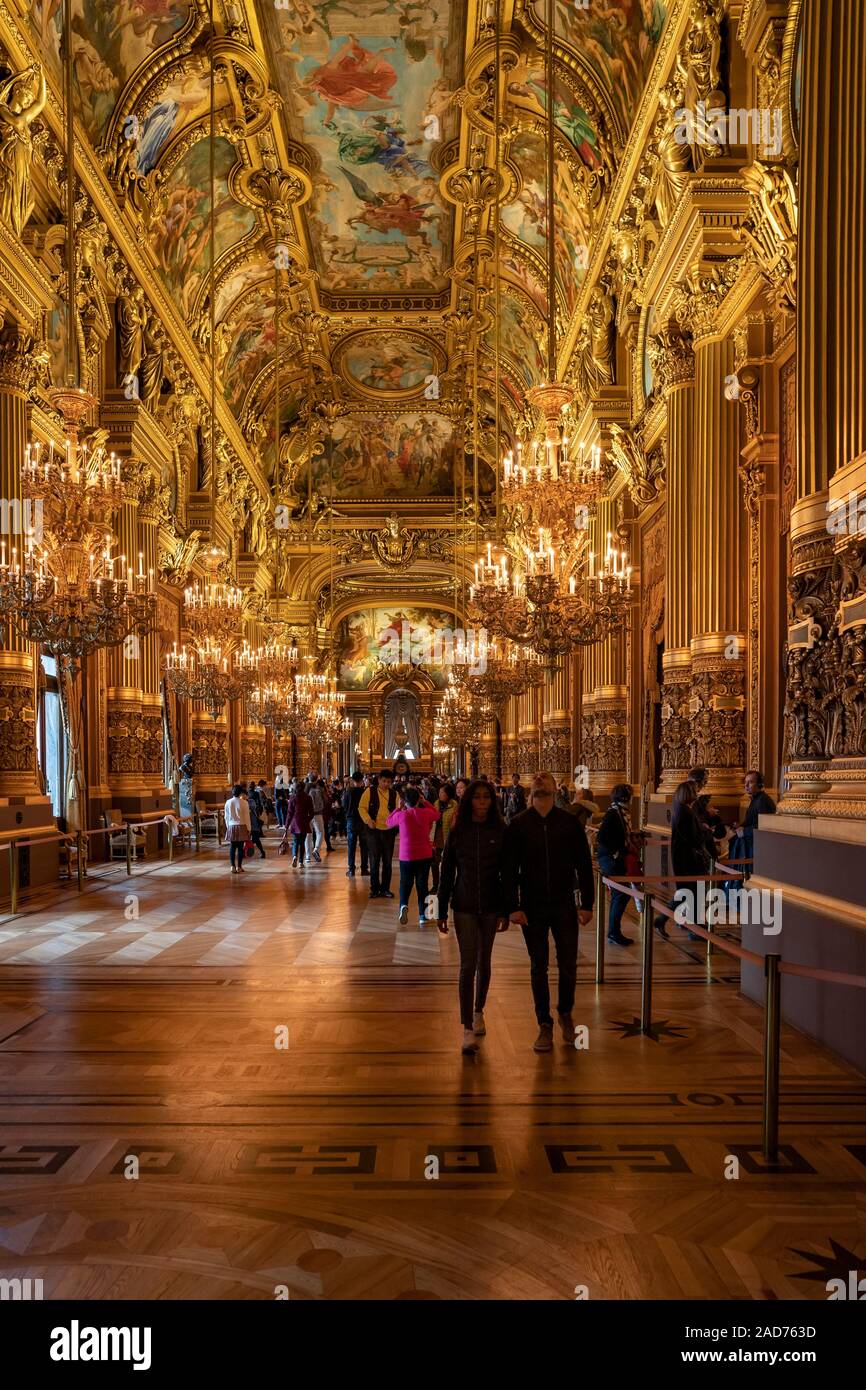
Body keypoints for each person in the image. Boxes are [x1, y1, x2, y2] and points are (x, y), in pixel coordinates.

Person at [504, 770, 595, 1052]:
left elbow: (583, 864)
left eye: (546, 779)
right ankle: (544, 1023)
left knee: (568, 963)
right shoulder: (518, 824)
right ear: (531, 790)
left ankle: (565, 1012)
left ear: (556, 789)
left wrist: (587, 904)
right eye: (537, 780)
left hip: (564, 904)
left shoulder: (568, 823)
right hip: (532, 905)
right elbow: (509, 870)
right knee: (538, 966)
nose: (541, 781)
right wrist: (512, 907)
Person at [437, 779, 509, 1054]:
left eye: (486, 798)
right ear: (469, 802)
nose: (481, 802)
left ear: (491, 801)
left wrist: (506, 908)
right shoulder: (459, 831)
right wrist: (441, 908)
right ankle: (467, 1026)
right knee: (468, 964)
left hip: (491, 905)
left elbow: (507, 874)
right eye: (477, 798)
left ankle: (479, 1009)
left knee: (484, 961)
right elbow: (446, 872)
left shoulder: (500, 830)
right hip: (464, 904)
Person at [387, 786, 439, 926]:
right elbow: (437, 814)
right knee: (422, 885)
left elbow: (388, 822)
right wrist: (426, 802)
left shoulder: (402, 815)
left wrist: (398, 808)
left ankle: (403, 905)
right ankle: (423, 915)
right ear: (418, 800)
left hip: (406, 855)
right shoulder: (425, 813)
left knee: (405, 882)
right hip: (424, 854)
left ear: (404, 801)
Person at [595, 783, 636, 946]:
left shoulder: (621, 813)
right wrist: (617, 850)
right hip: (611, 859)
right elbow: (602, 838)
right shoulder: (614, 814)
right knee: (621, 894)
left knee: (620, 895)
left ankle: (614, 931)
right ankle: (613, 932)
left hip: (615, 858)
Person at [670, 779, 711, 940]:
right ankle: (695, 929)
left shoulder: (681, 809)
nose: (697, 793)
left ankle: (687, 923)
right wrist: (706, 833)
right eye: (694, 791)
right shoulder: (685, 812)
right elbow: (693, 837)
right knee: (694, 892)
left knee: (689, 892)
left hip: (684, 857)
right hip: (688, 858)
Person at [359, 769, 398, 898]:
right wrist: (368, 820)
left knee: (387, 862)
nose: (386, 784)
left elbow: (399, 810)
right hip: (373, 831)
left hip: (388, 832)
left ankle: (385, 888)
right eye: (384, 781)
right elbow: (362, 808)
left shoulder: (394, 794)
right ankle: (374, 889)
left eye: (389, 781)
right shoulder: (369, 791)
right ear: (379, 780)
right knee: (374, 861)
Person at [732, 770, 776, 865]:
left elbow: (763, 825)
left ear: (759, 784)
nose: (746, 785)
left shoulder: (762, 800)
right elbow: (751, 821)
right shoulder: (756, 798)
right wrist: (740, 826)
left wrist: (744, 831)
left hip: (757, 846)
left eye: (751, 782)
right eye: (745, 782)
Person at [430, 781, 457, 890]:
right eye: (440, 792)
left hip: (448, 837)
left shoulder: (454, 805)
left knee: (448, 865)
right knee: (434, 863)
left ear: (448, 794)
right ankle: (436, 885)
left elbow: (454, 823)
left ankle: (448, 886)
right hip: (436, 837)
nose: (440, 794)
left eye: (442, 792)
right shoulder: (436, 803)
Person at [342, 769, 369, 878]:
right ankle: (364, 869)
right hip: (363, 821)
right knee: (364, 846)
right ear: (362, 780)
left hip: (351, 821)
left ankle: (351, 869)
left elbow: (344, 805)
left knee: (351, 846)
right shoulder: (365, 792)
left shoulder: (348, 791)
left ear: (353, 780)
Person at [283, 781, 314, 868]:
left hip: (295, 822)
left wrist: (286, 826)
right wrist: (307, 820)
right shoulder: (308, 797)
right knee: (302, 842)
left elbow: (289, 813)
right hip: (304, 821)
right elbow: (312, 813)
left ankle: (294, 856)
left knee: (296, 841)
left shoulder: (292, 797)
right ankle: (300, 862)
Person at [224, 783, 251, 875]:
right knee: (240, 848)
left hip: (231, 826)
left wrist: (228, 827)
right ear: (240, 793)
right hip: (242, 826)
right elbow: (247, 817)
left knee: (232, 847)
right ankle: (239, 867)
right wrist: (249, 828)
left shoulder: (228, 802)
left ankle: (232, 866)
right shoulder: (244, 803)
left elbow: (226, 817)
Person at [306, 778, 326, 862]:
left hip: (307, 815)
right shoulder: (318, 790)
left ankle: (307, 856)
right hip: (317, 814)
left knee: (308, 835)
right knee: (320, 832)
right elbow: (323, 802)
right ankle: (316, 850)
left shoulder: (305, 789)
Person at [246, 781, 266, 858]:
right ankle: (255, 850)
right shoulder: (255, 795)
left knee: (255, 838)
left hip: (252, 822)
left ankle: (260, 851)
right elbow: (259, 803)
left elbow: (253, 807)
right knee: (255, 838)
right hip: (251, 822)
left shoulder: (250, 802)